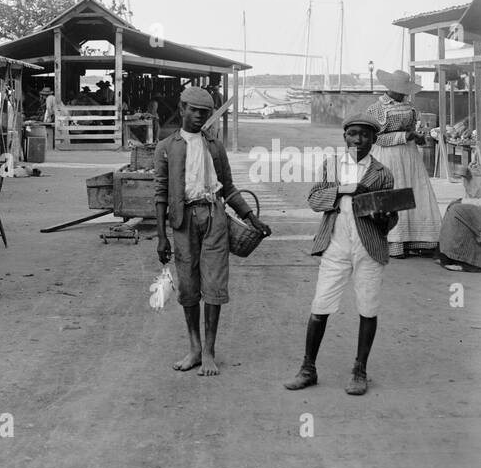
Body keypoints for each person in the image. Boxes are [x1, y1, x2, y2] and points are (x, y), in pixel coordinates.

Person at [155, 85, 270, 376]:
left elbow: (228, 188)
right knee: (189, 287)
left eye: (204, 113)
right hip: (182, 222)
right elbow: (159, 193)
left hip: (215, 218)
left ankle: (209, 351)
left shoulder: (215, 146)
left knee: (215, 285)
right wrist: (160, 236)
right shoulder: (166, 147)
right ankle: (193, 348)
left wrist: (250, 217)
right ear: (182, 109)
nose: (198, 116)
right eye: (193, 110)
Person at [284, 115, 398, 397]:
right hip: (335, 245)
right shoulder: (332, 165)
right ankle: (308, 369)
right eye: (353, 134)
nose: (358, 140)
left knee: (368, 307)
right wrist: (346, 189)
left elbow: (391, 219)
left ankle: (360, 370)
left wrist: (383, 216)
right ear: (344, 136)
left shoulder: (382, 173)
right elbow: (314, 200)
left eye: (365, 136)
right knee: (320, 306)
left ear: (373, 140)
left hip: (369, 247)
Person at [365, 69, 441, 257]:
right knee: (395, 192)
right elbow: (375, 137)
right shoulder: (377, 108)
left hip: (409, 155)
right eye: (401, 90)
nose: (404, 94)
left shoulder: (409, 106)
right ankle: (393, 242)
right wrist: (404, 136)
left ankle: (416, 240)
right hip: (389, 155)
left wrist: (417, 137)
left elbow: (411, 129)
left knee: (415, 191)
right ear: (391, 88)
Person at [438, 129, 481, 272]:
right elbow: (477, 193)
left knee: (457, 210)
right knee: (453, 206)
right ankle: (448, 254)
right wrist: (471, 176)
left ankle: (461, 258)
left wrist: (465, 202)